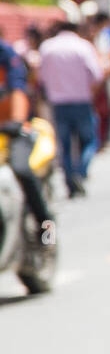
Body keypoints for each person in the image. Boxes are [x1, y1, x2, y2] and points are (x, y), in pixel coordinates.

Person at [37, 20, 104, 198]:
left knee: (64, 145)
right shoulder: (83, 47)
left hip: (58, 103)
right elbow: (97, 75)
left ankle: (70, 180)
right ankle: (79, 172)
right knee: (90, 140)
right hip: (81, 101)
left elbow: (40, 77)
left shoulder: (47, 47)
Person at [0, 36, 55, 233]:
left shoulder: (5, 54)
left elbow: (18, 91)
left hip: (13, 130)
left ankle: (45, 226)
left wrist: (15, 122)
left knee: (21, 170)